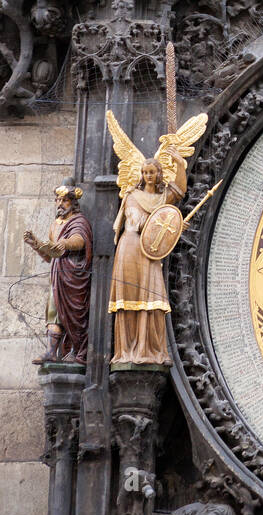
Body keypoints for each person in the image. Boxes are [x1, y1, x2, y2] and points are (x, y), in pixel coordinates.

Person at [109, 150, 185, 365]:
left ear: (159, 174)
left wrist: (179, 164)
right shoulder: (132, 197)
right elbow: (137, 220)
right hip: (132, 247)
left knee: (153, 296)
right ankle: (128, 351)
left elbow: (179, 190)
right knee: (131, 296)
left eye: (152, 172)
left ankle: (150, 349)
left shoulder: (162, 197)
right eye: (144, 172)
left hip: (151, 251)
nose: (148, 175)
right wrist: (170, 223)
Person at [23, 180, 93, 364]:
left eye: (64, 200)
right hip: (57, 274)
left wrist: (65, 243)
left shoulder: (79, 221)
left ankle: (79, 351)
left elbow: (80, 240)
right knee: (53, 313)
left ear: (73, 203)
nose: (60, 204)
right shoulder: (55, 225)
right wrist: (37, 245)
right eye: (57, 200)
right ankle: (51, 352)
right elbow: (51, 256)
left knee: (74, 314)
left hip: (73, 275)